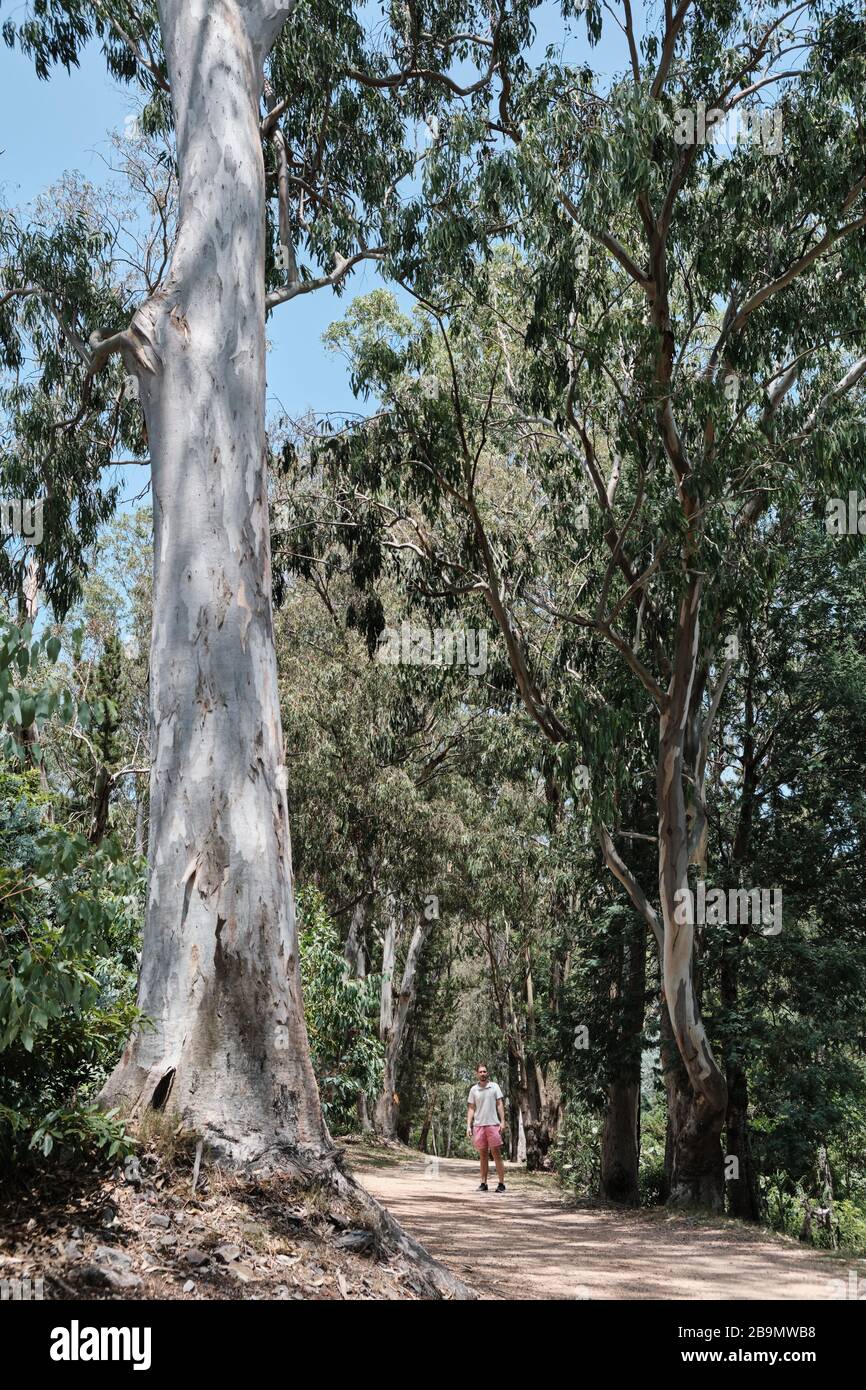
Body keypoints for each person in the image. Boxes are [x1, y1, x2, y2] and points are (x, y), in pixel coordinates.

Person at [466, 1063, 506, 1192]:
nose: (483, 1074)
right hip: (479, 1125)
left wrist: (502, 1121)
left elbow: (500, 1104)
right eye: (480, 1072)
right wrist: (468, 1125)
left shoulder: (494, 1087)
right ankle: (483, 1183)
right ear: (477, 1074)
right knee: (482, 1155)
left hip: (493, 1124)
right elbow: (471, 1108)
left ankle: (501, 1184)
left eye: (484, 1071)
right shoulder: (474, 1090)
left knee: (496, 1154)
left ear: (487, 1073)